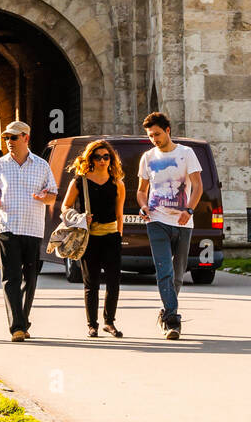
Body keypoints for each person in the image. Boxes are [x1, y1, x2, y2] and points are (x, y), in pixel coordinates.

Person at [0, 120, 57, 341]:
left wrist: (46, 197)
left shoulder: (42, 165)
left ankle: (23, 320)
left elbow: (53, 194)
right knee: (11, 277)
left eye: (13, 138)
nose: (9, 142)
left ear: (26, 138)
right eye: (6, 138)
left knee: (30, 278)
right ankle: (16, 326)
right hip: (8, 227)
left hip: (33, 228)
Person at [137, 112, 203, 340]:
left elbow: (197, 186)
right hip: (157, 220)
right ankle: (173, 321)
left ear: (168, 130)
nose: (153, 139)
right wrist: (144, 206)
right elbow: (141, 190)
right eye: (150, 136)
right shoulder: (147, 157)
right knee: (163, 270)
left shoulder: (186, 153)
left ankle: (166, 311)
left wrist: (189, 210)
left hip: (184, 221)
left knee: (178, 273)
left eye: (156, 134)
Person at [61, 139, 125, 338]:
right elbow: (65, 206)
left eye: (106, 157)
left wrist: (119, 237)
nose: (102, 160)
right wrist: (79, 218)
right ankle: (92, 324)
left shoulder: (117, 183)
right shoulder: (80, 181)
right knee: (91, 283)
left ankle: (109, 322)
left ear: (111, 159)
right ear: (91, 159)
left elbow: (119, 214)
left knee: (114, 282)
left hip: (111, 236)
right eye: (98, 157)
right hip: (90, 238)